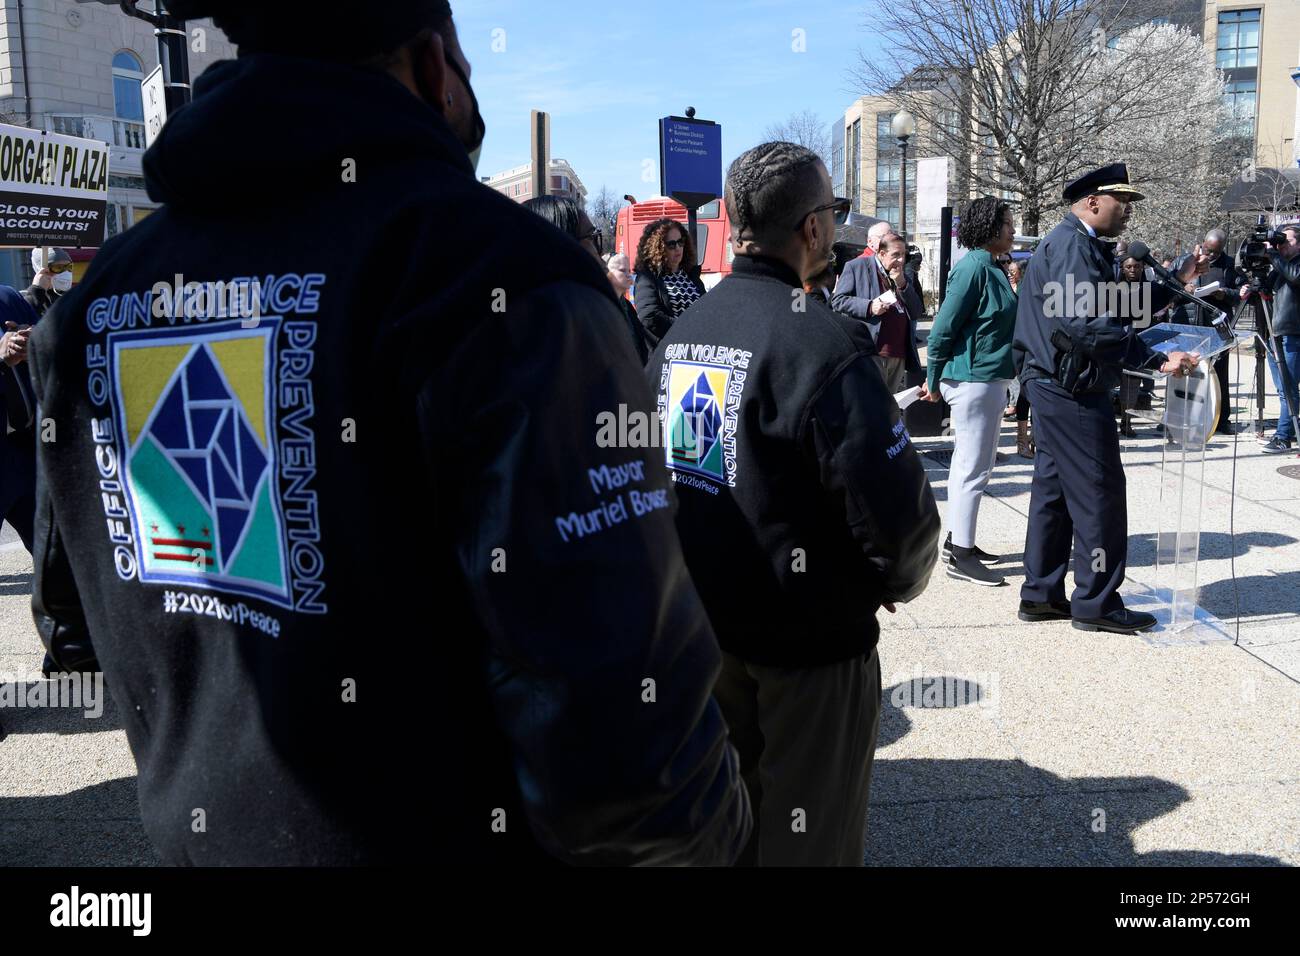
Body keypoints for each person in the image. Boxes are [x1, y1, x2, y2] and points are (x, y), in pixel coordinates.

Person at [28, 0, 750, 866]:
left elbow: (68, 615)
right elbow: (630, 756)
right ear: (435, 68)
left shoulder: (90, 310)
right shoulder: (495, 278)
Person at [647, 141, 940, 866]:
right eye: (833, 214)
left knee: (732, 829)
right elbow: (896, 517)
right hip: (808, 647)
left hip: (707, 631)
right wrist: (889, 579)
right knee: (814, 841)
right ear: (812, 229)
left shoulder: (684, 336)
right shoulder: (822, 342)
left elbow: (677, 478)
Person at [1012, 163, 1202, 634]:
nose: (1128, 213)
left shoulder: (1073, 244)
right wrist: (1156, 359)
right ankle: (1096, 601)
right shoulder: (1074, 246)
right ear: (1094, 201)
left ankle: (1041, 593)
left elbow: (1098, 315)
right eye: (1124, 203)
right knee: (1099, 493)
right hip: (1071, 388)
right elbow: (1084, 326)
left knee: (1053, 494)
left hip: (1054, 384)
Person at [922, 196, 1018, 587]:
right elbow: (943, 328)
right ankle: (961, 554)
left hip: (987, 379)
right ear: (991, 229)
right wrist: (931, 380)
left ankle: (958, 542)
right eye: (1009, 224)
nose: (1013, 230)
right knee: (971, 468)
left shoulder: (992, 267)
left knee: (978, 466)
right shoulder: (972, 268)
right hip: (971, 379)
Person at [831, 233, 922, 392]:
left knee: (891, 407)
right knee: (872, 406)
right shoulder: (856, 267)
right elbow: (838, 300)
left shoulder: (901, 274)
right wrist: (869, 306)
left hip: (898, 354)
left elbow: (916, 311)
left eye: (903, 255)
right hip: (873, 351)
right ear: (881, 253)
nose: (901, 260)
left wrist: (902, 284)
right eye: (896, 255)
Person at [1173, 229, 1241, 436]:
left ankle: (1222, 420)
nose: (1210, 256)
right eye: (1208, 250)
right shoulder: (1185, 261)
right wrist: (1184, 288)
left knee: (1219, 374)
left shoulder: (1230, 266)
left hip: (1216, 327)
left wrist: (1224, 293)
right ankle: (1178, 417)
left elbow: (1240, 294)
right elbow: (1168, 290)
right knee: (1183, 371)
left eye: (1215, 253)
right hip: (1190, 323)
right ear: (1202, 243)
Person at [1244, 224, 1300, 454]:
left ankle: (1283, 436)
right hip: (1275, 332)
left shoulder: (1294, 265)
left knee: (1288, 389)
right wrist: (1252, 285)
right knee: (1282, 389)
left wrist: (1274, 254)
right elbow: (1266, 288)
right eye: (1280, 241)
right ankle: (1290, 428)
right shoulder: (1281, 265)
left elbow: (1295, 278)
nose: (1282, 245)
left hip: (1294, 334)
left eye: (1287, 241)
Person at [633, 217, 705, 349]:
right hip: (666, 352)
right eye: (671, 244)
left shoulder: (691, 275)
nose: (678, 248)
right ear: (657, 247)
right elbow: (649, 316)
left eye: (680, 242)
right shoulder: (647, 277)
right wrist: (686, 331)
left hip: (695, 349)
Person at [603, 252, 648, 364]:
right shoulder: (601, 307)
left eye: (629, 271)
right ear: (607, 273)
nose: (629, 275)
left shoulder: (627, 306)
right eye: (623, 270)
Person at [22, 247, 74, 319]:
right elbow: (24, 317)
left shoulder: (74, 299)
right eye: (58, 267)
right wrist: (36, 291)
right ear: (41, 271)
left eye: (69, 267)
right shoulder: (26, 300)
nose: (66, 272)